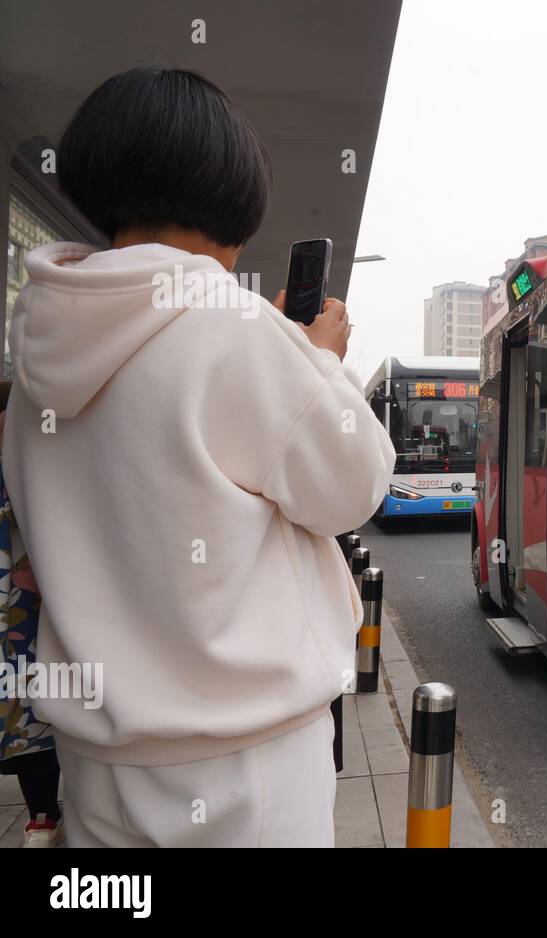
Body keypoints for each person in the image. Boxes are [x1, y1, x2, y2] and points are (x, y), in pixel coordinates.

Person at [3, 67, 395, 847]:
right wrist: (315, 357)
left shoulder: (34, 364)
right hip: (242, 770)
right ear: (233, 199)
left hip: (96, 760)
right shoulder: (237, 331)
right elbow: (354, 489)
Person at [0, 386, 63, 847]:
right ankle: (44, 812)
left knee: (35, 705)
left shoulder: (31, 439)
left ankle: (46, 813)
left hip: (33, 601)